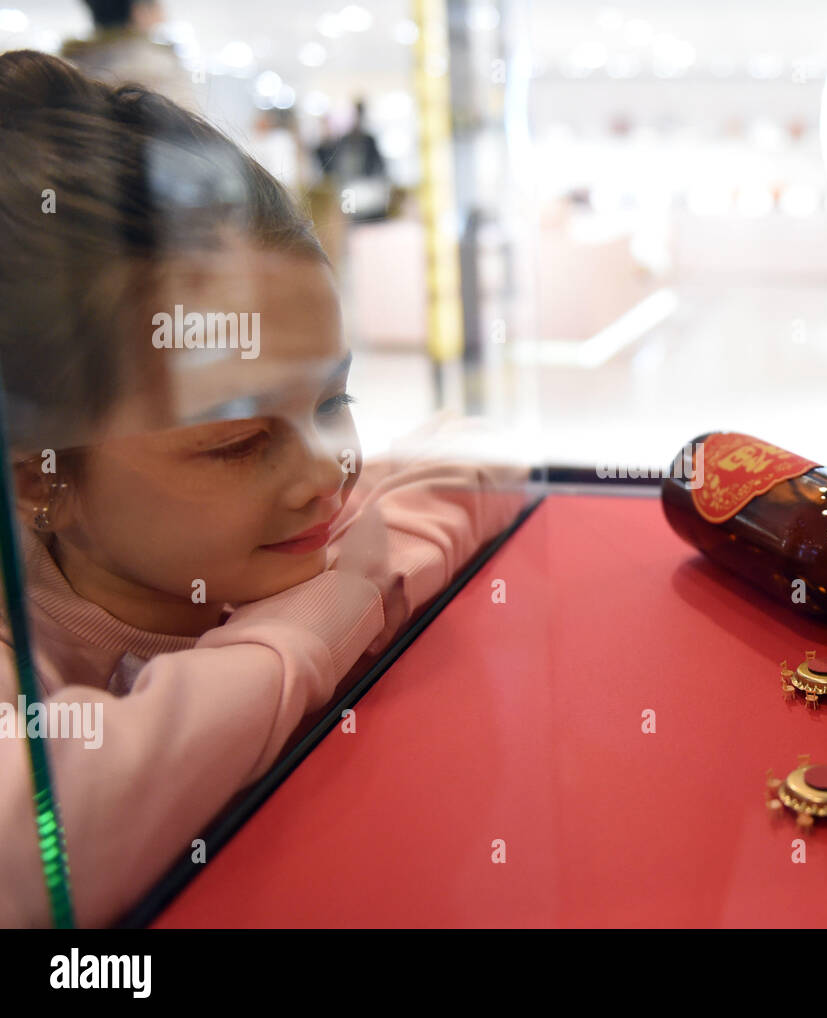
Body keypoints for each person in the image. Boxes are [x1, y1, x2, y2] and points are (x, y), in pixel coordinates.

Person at [0, 51, 525, 928]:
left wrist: (368, 569)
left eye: (335, 399)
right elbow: (35, 846)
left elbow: (484, 453)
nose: (323, 469)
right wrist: (327, 615)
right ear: (37, 476)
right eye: (240, 441)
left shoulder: (316, 524)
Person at [61, 0, 200, 113]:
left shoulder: (71, 65)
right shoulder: (159, 66)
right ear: (139, 11)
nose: (162, 13)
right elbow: (187, 131)